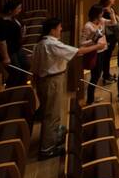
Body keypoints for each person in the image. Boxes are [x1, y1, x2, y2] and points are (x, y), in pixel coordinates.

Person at [32, 17, 105, 158]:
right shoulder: (51, 44)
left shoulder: (40, 44)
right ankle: (47, 148)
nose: (61, 30)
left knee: (49, 111)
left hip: (43, 81)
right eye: (59, 27)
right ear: (52, 30)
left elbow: (34, 66)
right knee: (51, 114)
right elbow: (77, 52)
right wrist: (97, 47)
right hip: (52, 81)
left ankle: (53, 136)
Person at [0, 0, 28, 87]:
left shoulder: (13, 19)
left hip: (16, 47)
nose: (20, 10)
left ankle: (22, 88)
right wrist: (6, 57)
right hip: (8, 51)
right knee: (16, 72)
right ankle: (10, 93)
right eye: (18, 8)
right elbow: (1, 42)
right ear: (10, 10)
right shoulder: (2, 24)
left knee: (26, 66)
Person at [79, 4, 107, 105]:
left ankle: (92, 97)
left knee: (97, 75)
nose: (103, 14)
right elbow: (81, 43)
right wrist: (94, 41)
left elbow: (113, 22)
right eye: (101, 12)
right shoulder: (88, 26)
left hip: (102, 50)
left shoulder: (101, 22)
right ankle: (90, 100)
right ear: (97, 14)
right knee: (95, 77)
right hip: (95, 53)